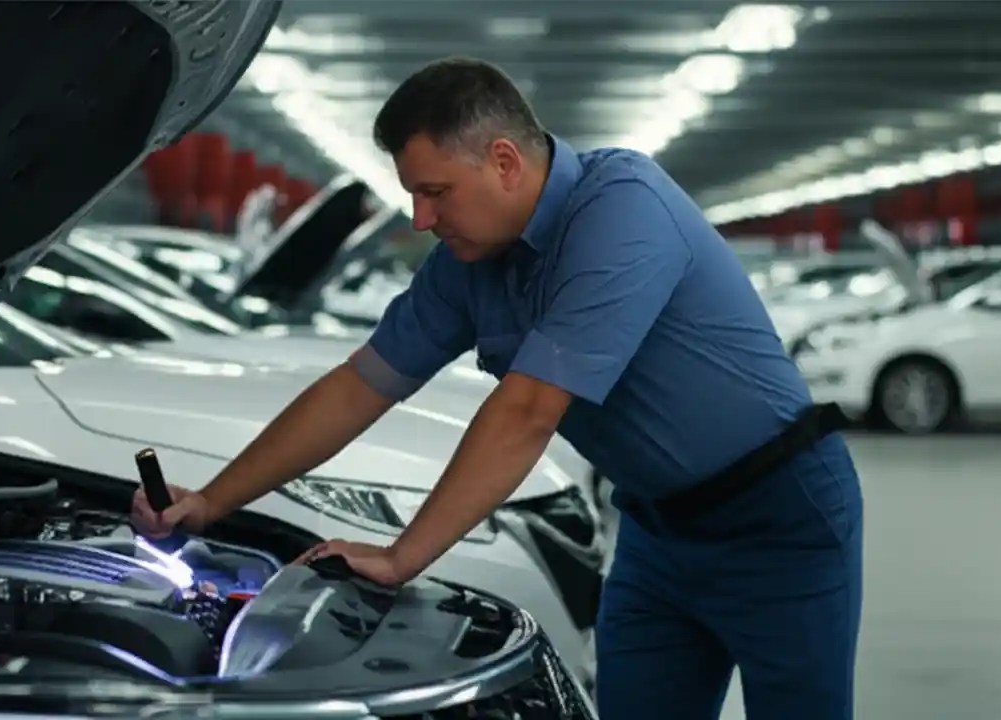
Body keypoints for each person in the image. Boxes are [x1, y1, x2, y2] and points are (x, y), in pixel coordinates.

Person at [131, 57, 863, 720]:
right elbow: (360, 384)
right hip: (656, 532)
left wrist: (400, 557)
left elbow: (528, 410)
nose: (420, 219)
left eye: (433, 192)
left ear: (505, 161)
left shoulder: (623, 209)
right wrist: (212, 500)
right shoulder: (466, 264)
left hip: (780, 520)